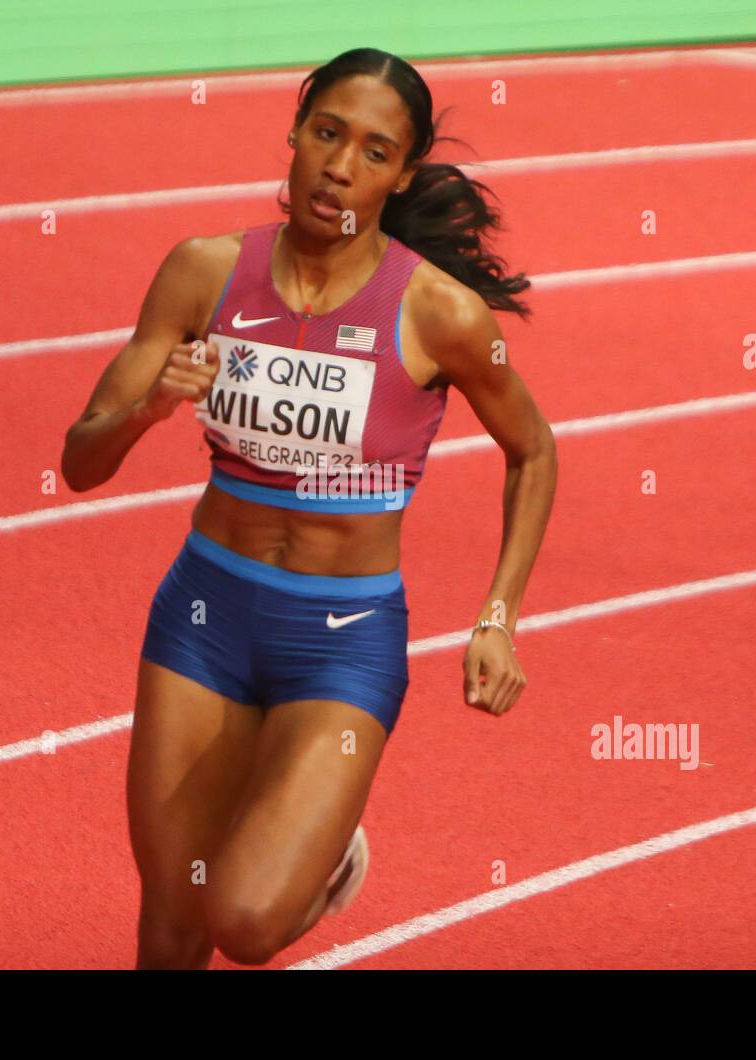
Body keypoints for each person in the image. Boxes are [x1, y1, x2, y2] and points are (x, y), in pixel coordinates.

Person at [60, 46, 557, 969]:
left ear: (401, 174)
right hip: (205, 616)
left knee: (243, 922)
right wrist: (151, 406)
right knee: (172, 917)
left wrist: (497, 615)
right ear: (294, 135)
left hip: (343, 634)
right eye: (327, 134)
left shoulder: (441, 314)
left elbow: (533, 450)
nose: (340, 165)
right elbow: (79, 462)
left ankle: (327, 861)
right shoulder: (203, 271)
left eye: (374, 151)